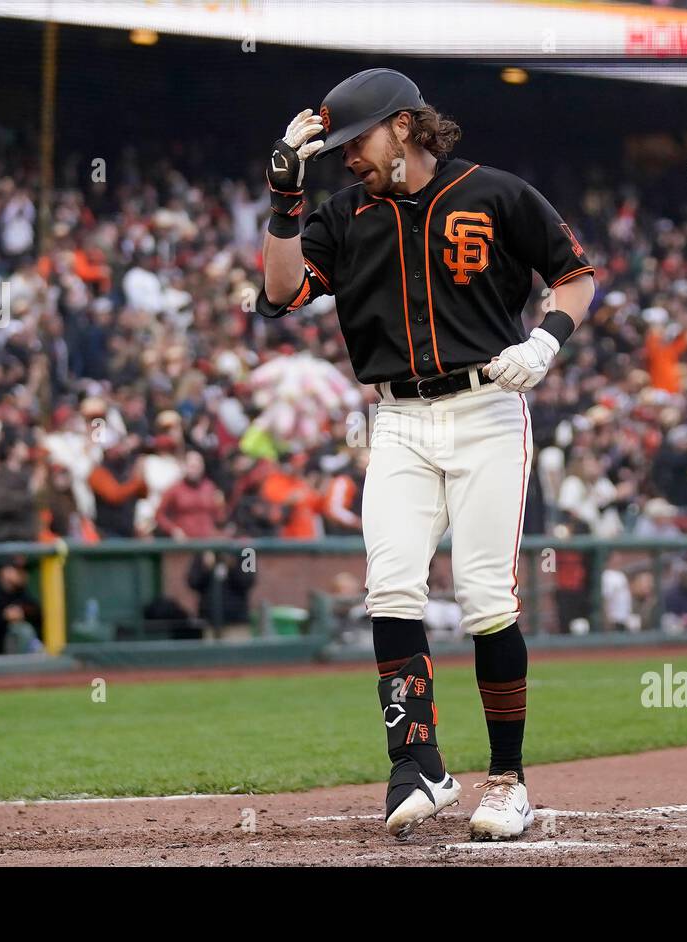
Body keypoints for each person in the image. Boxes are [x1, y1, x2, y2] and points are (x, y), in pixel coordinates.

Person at [258, 68, 595, 840]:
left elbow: (573, 275)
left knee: (486, 599)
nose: (346, 158)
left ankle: (507, 780)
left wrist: (547, 340)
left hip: (486, 406)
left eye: (357, 141)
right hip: (399, 418)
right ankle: (418, 762)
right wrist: (284, 198)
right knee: (392, 588)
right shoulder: (342, 214)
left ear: (404, 126)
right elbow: (280, 293)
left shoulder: (497, 193)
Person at [0, 556, 43, 654]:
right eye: (17, 570)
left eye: (23, 570)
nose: (22, 574)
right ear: (4, 572)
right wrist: (4, 617)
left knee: (24, 630)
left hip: (25, 657)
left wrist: (23, 613)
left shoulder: (25, 594)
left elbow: (40, 616)